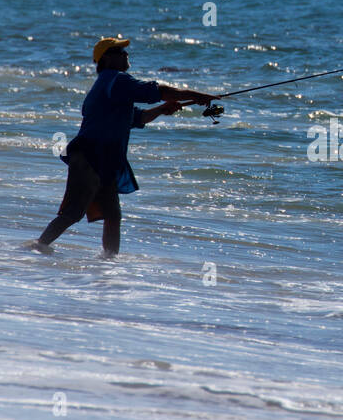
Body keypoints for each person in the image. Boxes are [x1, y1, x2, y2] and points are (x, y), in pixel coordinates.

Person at [28, 37, 215, 257]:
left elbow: (138, 117)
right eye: (119, 51)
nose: (126, 54)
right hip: (90, 158)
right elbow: (156, 91)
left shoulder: (110, 85)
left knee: (112, 216)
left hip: (104, 162)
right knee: (72, 214)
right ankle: (38, 247)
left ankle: (110, 262)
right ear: (106, 59)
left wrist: (162, 110)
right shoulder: (115, 79)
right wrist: (197, 95)